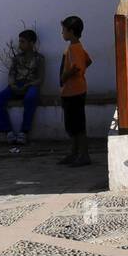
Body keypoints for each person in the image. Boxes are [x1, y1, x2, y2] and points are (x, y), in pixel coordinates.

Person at [0, 29, 44, 151]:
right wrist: (13, 85)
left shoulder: (39, 58)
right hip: (17, 85)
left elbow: (40, 78)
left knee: (31, 98)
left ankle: (24, 132)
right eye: (19, 41)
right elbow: (11, 75)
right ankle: (8, 131)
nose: (20, 44)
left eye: (23, 42)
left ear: (32, 43)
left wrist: (28, 85)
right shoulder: (16, 59)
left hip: (31, 85)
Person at [57, 15, 93, 167]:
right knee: (72, 125)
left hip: (74, 92)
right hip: (74, 91)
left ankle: (83, 154)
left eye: (64, 30)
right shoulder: (77, 47)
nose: (62, 33)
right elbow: (88, 60)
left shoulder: (73, 48)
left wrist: (65, 76)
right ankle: (75, 153)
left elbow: (77, 67)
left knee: (77, 126)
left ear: (71, 31)